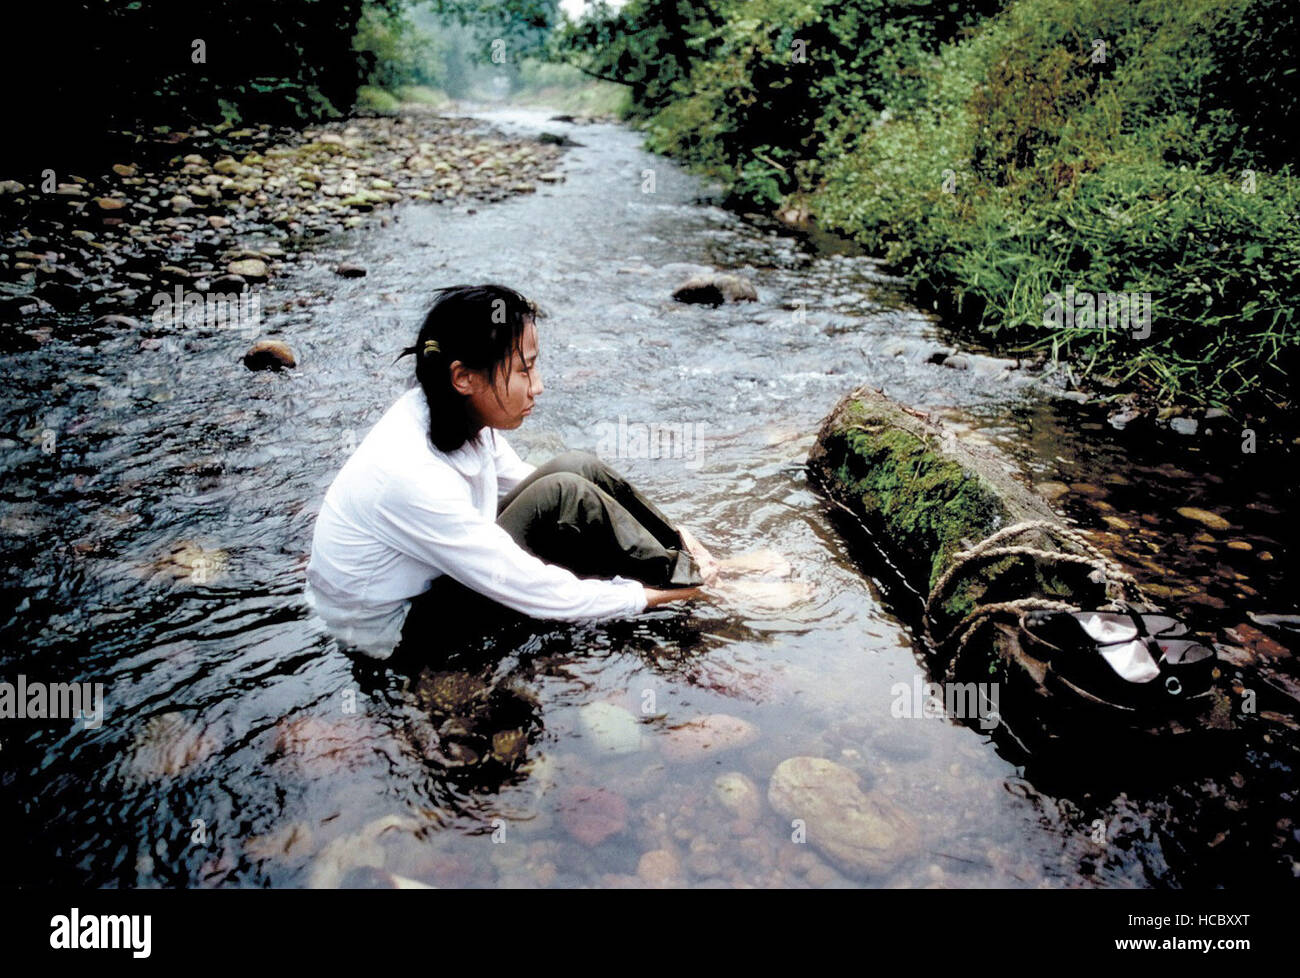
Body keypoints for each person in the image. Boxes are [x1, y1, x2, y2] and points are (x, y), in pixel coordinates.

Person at [303, 283, 719, 661]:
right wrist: (648, 598)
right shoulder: (409, 474)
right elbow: (533, 586)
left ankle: (691, 562)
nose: (537, 386)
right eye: (524, 370)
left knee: (576, 467)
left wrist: (673, 531)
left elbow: (535, 484)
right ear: (463, 377)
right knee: (565, 497)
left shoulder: (452, 413)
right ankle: (699, 585)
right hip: (393, 638)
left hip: (435, 584)